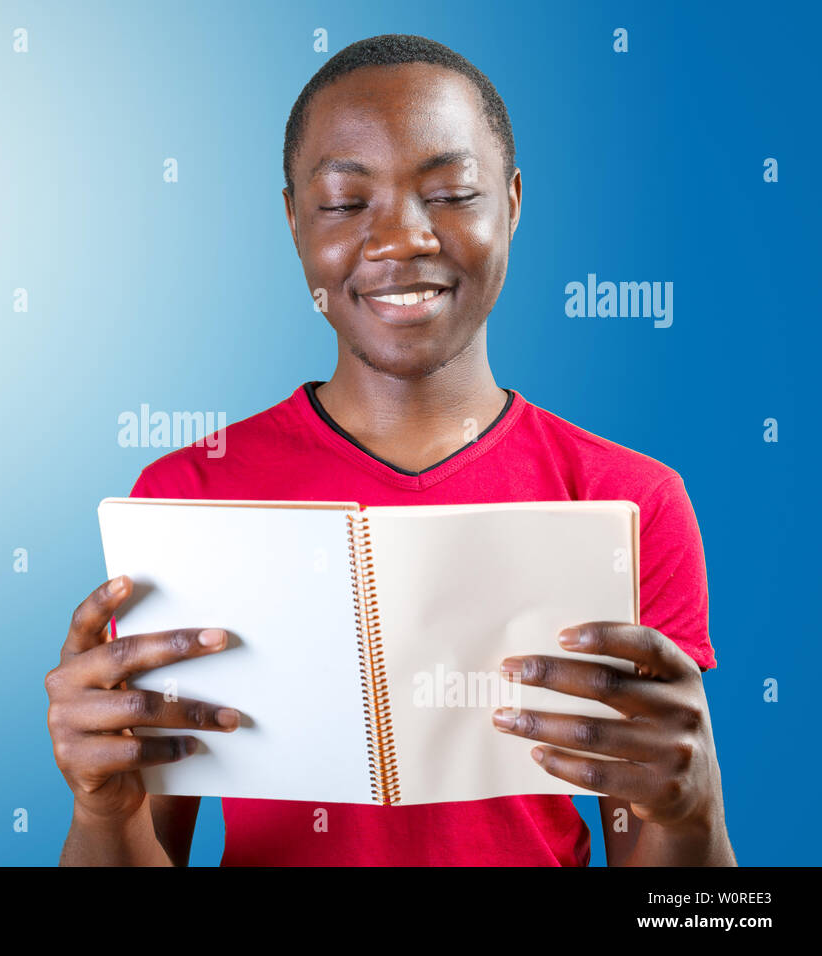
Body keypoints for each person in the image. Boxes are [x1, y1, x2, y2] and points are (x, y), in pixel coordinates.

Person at [45, 34, 735, 866]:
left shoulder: (626, 502)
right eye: (343, 203)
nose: (402, 238)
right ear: (295, 220)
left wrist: (690, 817)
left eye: (451, 193)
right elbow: (144, 842)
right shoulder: (187, 495)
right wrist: (103, 816)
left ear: (511, 204)